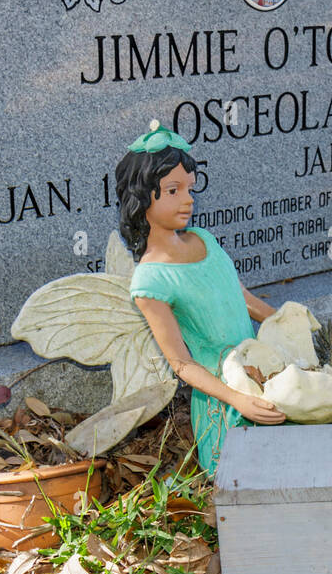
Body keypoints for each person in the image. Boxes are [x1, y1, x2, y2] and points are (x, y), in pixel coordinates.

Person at [119, 124, 285, 474]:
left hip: (263, 374)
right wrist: (239, 400)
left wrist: (285, 325)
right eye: (173, 190)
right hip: (223, 400)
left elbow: (241, 297)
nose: (188, 199)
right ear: (143, 197)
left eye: (190, 188)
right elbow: (181, 364)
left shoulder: (204, 240)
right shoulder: (151, 280)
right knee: (248, 482)